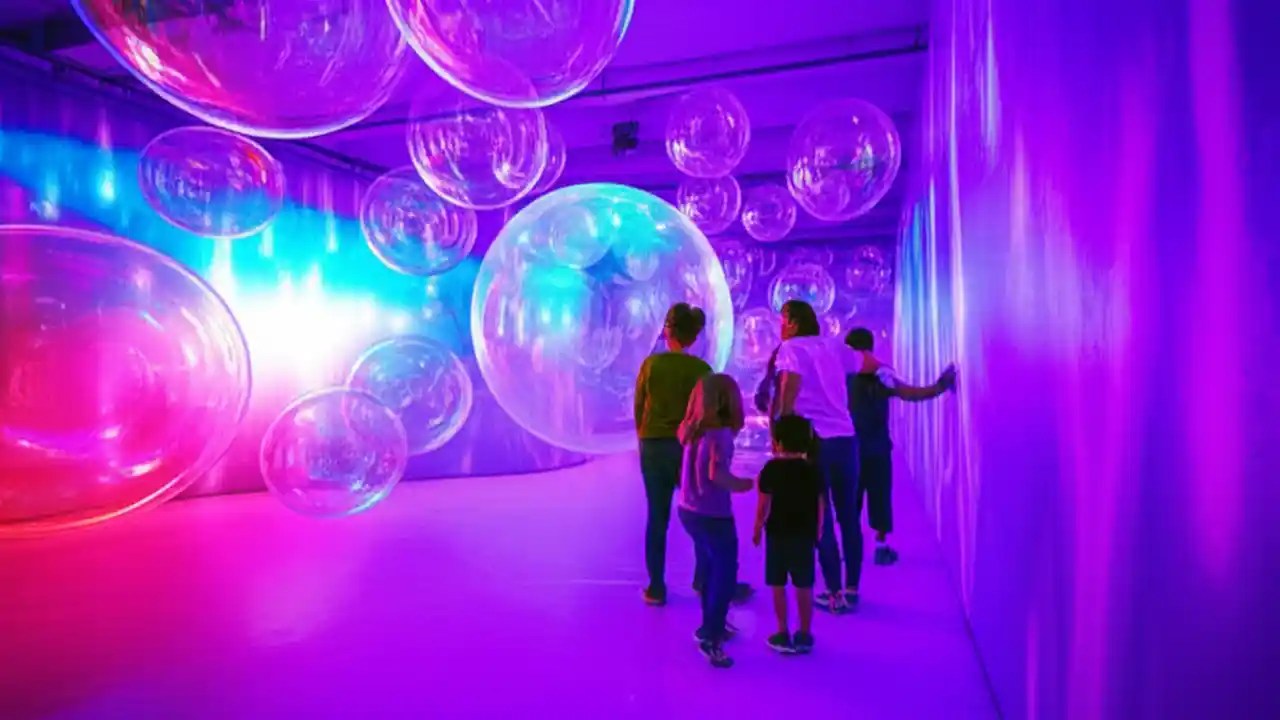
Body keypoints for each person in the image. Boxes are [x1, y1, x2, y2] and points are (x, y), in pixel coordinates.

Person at [770, 300, 880, 613]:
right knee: (849, 516)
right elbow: (870, 365)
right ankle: (852, 588)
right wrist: (891, 375)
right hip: (846, 439)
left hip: (814, 442)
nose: (780, 326)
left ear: (791, 321)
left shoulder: (790, 349)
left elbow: (789, 388)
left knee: (821, 519)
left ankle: (832, 594)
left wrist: (781, 436)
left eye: (782, 319)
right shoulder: (837, 347)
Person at [844, 327, 956, 565]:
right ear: (870, 347)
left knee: (850, 498)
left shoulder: (845, 376)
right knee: (880, 496)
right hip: (877, 447)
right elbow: (909, 393)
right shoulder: (882, 374)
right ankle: (880, 546)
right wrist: (938, 388)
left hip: (852, 448)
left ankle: (848, 546)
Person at [634, 303, 711, 606]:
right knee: (699, 512)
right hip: (688, 448)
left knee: (657, 517)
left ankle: (656, 587)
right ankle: (703, 578)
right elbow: (706, 415)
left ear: (669, 330)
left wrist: (644, 437)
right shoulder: (702, 370)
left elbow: (639, 409)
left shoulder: (651, 365)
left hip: (653, 446)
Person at [677, 373, 753, 668]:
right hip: (714, 513)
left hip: (689, 510)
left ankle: (710, 625)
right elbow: (715, 474)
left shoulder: (691, 430)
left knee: (709, 566)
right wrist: (742, 484)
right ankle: (712, 635)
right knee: (724, 572)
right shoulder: (720, 435)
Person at [753, 414, 823, 655]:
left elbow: (763, 505)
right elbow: (821, 505)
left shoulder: (770, 469)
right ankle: (804, 633)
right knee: (804, 585)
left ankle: (782, 631)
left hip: (777, 535)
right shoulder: (813, 470)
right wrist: (819, 531)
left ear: (778, 442)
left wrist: (757, 529)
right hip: (804, 535)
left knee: (778, 584)